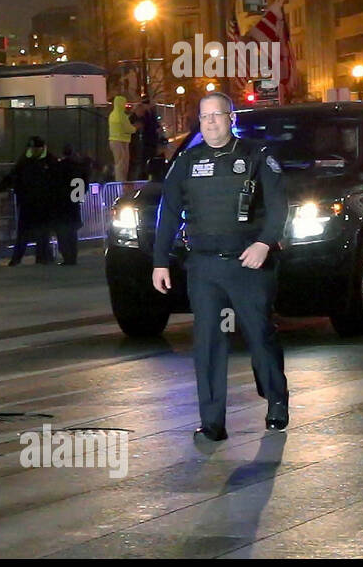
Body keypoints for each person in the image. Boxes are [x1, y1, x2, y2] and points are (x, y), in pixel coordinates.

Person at [152, 92, 289, 444]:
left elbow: (277, 206)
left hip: (248, 263)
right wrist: (159, 260)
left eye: (217, 115)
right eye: (204, 117)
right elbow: (167, 214)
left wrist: (264, 242)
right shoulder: (186, 161)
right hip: (204, 266)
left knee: (260, 334)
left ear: (231, 118)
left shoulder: (256, 156)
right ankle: (212, 421)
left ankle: (275, 397)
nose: (211, 122)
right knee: (208, 342)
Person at [0, 135, 56, 265]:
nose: (33, 151)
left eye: (36, 149)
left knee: (42, 233)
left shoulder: (50, 161)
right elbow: (13, 175)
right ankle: (18, 259)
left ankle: (43, 258)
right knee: (24, 233)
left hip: (43, 203)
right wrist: (0, 187)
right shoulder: (25, 160)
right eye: (32, 148)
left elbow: (57, 180)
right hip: (27, 202)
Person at [53, 143, 92, 266]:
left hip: (61, 203)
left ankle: (66, 256)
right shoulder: (79, 167)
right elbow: (85, 183)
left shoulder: (59, 167)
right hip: (74, 202)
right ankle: (72, 256)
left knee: (62, 232)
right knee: (72, 232)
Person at [132, 97, 161, 178]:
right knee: (144, 157)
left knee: (150, 156)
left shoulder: (150, 113)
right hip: (146, 140)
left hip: (151, 139)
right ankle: (143, 174)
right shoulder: (143, 114)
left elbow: (154, 124)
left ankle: (149, 174)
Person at [107, 95, 133, 181]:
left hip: (113, 140)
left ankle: (119, 182)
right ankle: (121, 183)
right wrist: (135, 128)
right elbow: (128, 128)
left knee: (118, 163)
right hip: (122, 141)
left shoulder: (112, 115)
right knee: (123, 164)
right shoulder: (122, 116)